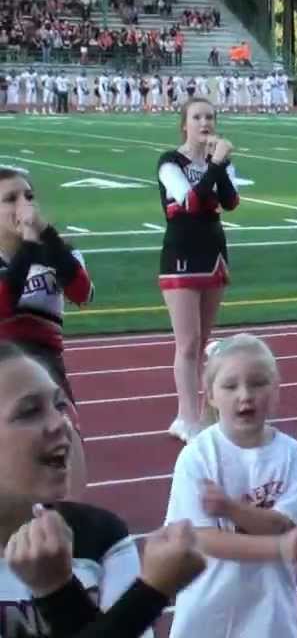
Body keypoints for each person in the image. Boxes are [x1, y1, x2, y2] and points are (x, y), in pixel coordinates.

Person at [0, 342, 207, 638]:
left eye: (60, 405)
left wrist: (58, 592)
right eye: (30, 411)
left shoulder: (98, 536)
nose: (61, 424)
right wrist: (150, 593)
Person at [164, 334, 297, 638]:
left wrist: (229, 509)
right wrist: (279, 549)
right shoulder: (198, 455)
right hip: (207, 606)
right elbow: (199, 538)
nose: (245, 395)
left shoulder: (292, 455)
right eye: (230, 386)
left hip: (270, 609)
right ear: (212, 397)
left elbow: (285, 525)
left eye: (258, 383)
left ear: (275, 391)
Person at [0, 168, 93, 497]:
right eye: (10, 199)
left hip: (47, 367)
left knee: (66, 437)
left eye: (28, 196)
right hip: (4, 367)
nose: (23, 205)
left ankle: (74, 524)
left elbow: (83, 292)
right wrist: (27, 246)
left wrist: (47, 239)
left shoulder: (56, 250)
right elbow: (3, 304)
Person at [158, 99, 239, 443]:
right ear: (184, 124)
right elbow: (189, 203)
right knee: (188, 344)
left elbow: (231, 201)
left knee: (204, 340)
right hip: (181, 252)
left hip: (214, 252)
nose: (204, 122)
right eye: (197, 117)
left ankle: (205, 415)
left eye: (209, 116)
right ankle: (186, 417)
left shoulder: (216, 162)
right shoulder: (168, 162)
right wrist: (217, 164)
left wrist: (219, 164)